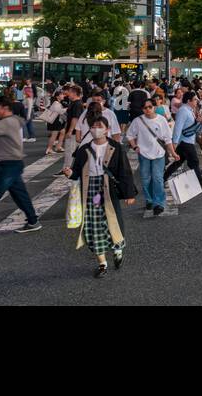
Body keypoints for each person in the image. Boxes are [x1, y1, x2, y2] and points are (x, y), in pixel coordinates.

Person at [63, 106, 136, 277]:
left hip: (108, 189)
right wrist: (70, 173)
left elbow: (124, 171)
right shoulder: (84, 149)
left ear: (107, 129)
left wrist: (129, 193)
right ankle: (102, 262)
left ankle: (118, 249)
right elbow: (76, 173)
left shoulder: (115, 148)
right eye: (93, 127)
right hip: (91, 191)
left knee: (113, 221)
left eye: (99, 127)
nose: (96, 130)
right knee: (93, 225)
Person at [0, 95, 40, 233]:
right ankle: (33, 220)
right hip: (12, 163)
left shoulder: (7, 122)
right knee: (20, 195)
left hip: (8, 165)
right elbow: (7, 141)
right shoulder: (13, 121)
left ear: (5, 108)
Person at [126, 100, 174, 214]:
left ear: (154, 107)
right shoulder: (138, 121)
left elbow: (167, 138)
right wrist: (134, 147)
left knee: (157, 178)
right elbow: (130, 135)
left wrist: (173, 153)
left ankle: (159, 203)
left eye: (150, 107)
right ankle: (149, 200)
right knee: (145, 178)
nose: (147, 109)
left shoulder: (161, 120)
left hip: (159, 154)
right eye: (144, 107)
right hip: (143, 154)